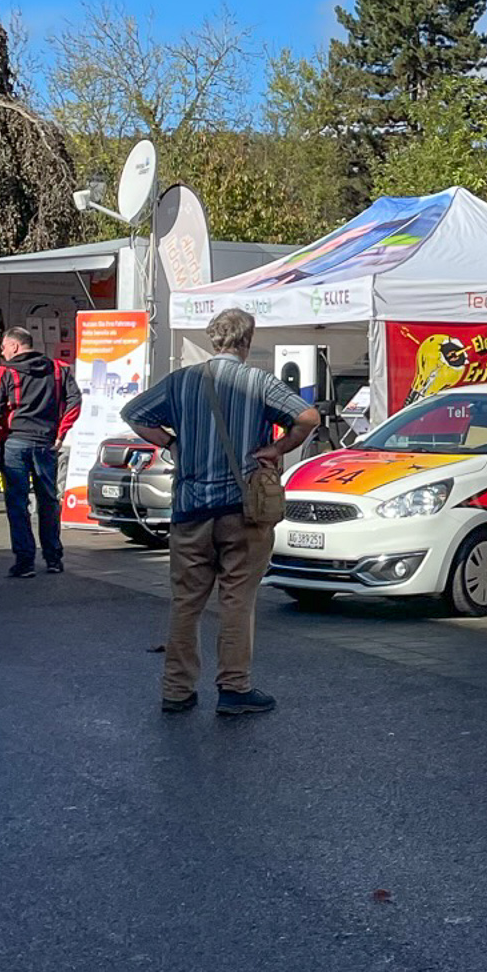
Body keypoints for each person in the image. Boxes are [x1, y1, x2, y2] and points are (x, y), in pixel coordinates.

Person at [122, 307, 318, 719]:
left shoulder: (181, 381)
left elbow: (134, 414)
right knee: (236, 600)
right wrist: (278, 449)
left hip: (190, 507)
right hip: (243, 508)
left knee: (185, 602)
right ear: (247, 341)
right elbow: (307, 416)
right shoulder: (258, 381)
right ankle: (234, 689)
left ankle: (176, 690)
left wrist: (172, 445)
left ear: (214, 340)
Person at [0, 326, 81, 578]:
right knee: (48, 500)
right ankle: (53, 558)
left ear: (15, 346)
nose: (2, 352)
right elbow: (74, 401)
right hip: (46, 443)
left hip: (15, 443)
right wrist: (61, 433)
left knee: (17, 503)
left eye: (4, 347)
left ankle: (25, 561)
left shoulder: (4, 372)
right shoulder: (59, 369)